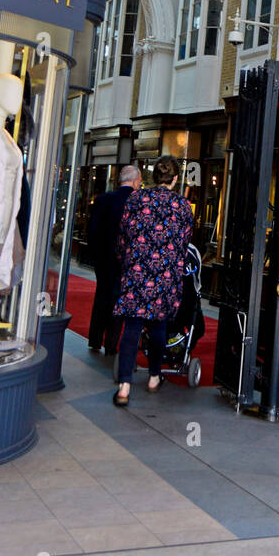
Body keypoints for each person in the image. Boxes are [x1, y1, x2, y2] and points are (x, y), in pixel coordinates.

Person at [112, 155, 193, 407]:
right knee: (159, 327)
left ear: (152, 177)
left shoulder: (136, 199)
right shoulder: (182, 206)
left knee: (132, 328)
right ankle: (154, 376)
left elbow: (123, 236)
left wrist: (127, 261)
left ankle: (124, 386)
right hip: (165, 275)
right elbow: (184, 242)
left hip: (137, 272)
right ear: (176, 179)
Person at [87, 164, 141, 355]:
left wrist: (94, 255)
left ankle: (94, 338)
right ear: (135, 181)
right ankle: (111, 343)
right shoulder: (137, 202)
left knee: (101, 296)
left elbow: (92, 231)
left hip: (102, 259)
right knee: (119, 301)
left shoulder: (102, 200)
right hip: (125, 261)